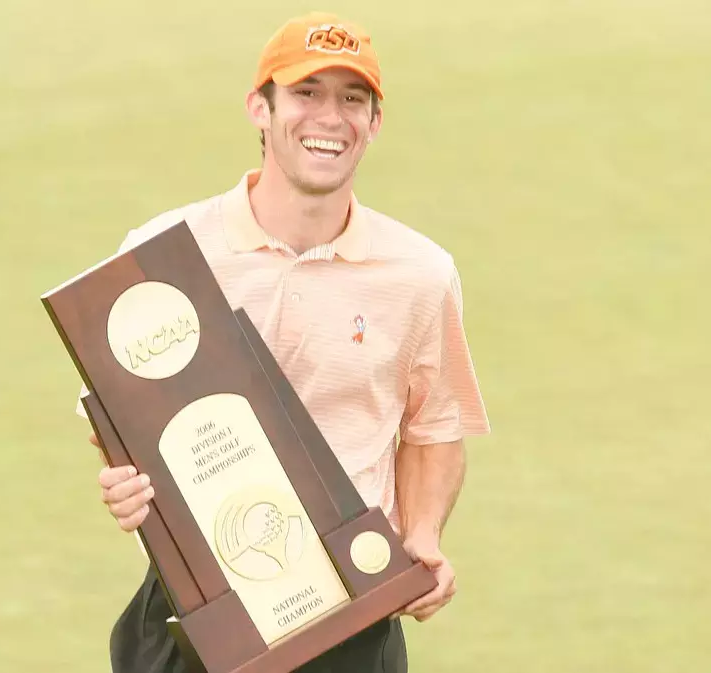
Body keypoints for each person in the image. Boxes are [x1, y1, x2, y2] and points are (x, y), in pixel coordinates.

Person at [79, 12, 491, 673]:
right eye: (306, 93)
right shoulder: (164, 254)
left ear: (375, 122)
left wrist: (421, 537)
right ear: (259, 109)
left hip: (351, 610)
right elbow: (119, 417)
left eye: (352, 99)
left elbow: (434, 425)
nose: (330, 117)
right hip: (199, 614)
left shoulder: (420, 273)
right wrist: (126, 481)